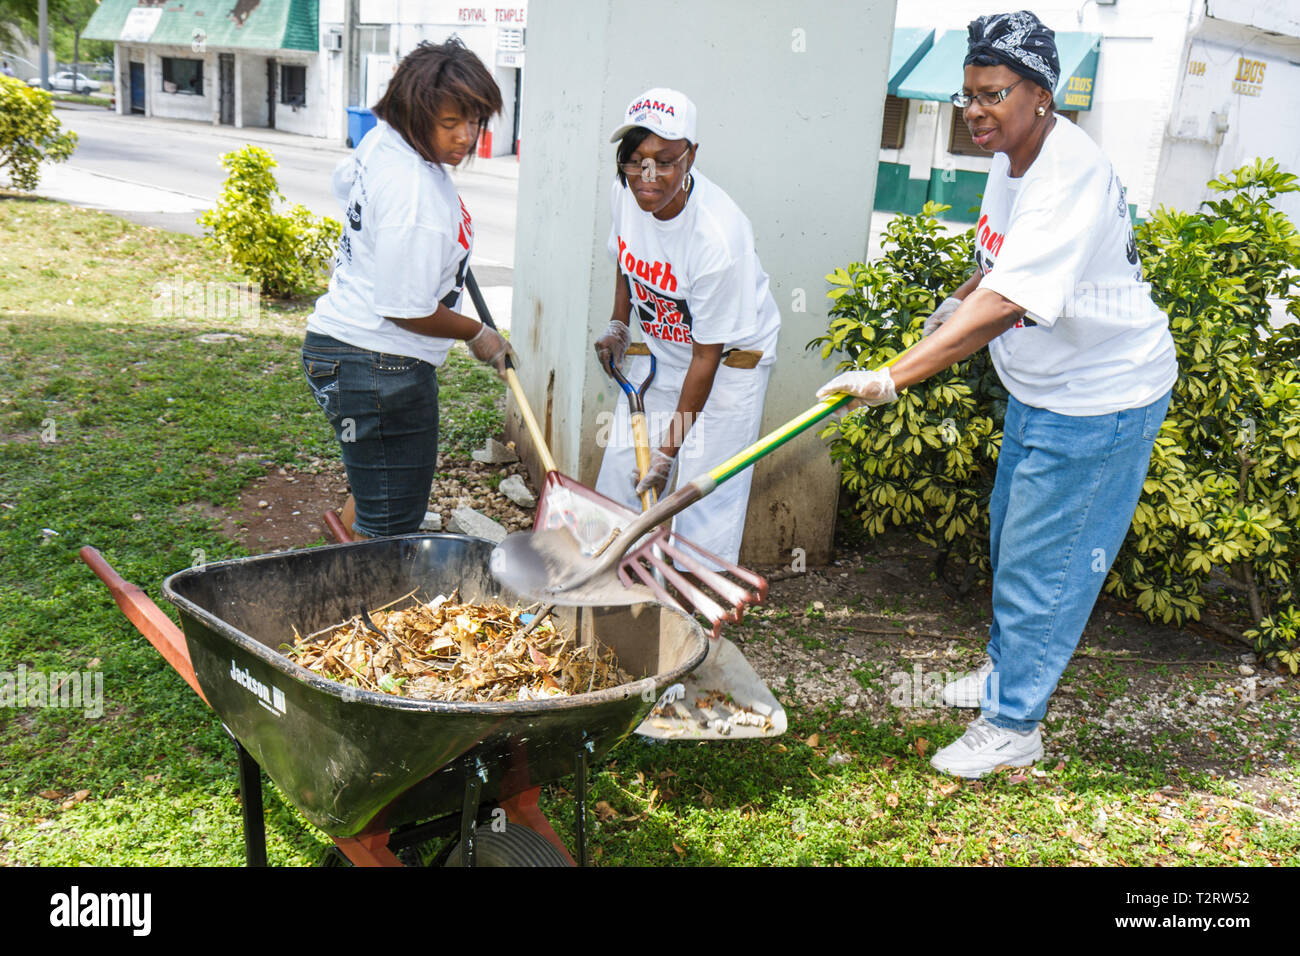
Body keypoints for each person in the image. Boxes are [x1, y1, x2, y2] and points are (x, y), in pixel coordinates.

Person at [818, 11, 1177, 778]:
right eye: (967, 95)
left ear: (1041, 94)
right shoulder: (1014, 154)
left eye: (993, 94)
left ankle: (1015, 722)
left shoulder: (1067, 174)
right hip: (1045, 386)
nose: (974, 111)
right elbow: (997, 265)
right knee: (1012, 535)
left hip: (1101, 398)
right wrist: (954, 300)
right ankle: (1008, 670)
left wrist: (895, 374)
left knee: (1044, 564)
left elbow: (1012, 300)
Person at [302, 39, 509, 539]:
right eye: (449, 124)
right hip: (379, 366)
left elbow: (344, 186)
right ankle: (359, 608)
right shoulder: (412, 192)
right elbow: (405, 308)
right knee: (392, 526)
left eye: (474, 121)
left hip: (343, 350)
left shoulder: (384, 140)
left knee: (377, 488)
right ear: (415, 113)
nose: (466, 137)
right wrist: (477, 332)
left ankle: (331, 571)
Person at [593, 88, 781, 567]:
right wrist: (620, 323)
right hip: (664, 357)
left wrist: (668, 452)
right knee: (621, 471)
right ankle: (611, 593)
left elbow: (707, 359)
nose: (647, 177)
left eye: (665, 160)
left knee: (701, 495)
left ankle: (691, 613)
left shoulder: (717, 238)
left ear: (691, 156)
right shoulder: (625, 192)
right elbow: (625, 259)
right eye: (635, 160)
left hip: (728, 369)